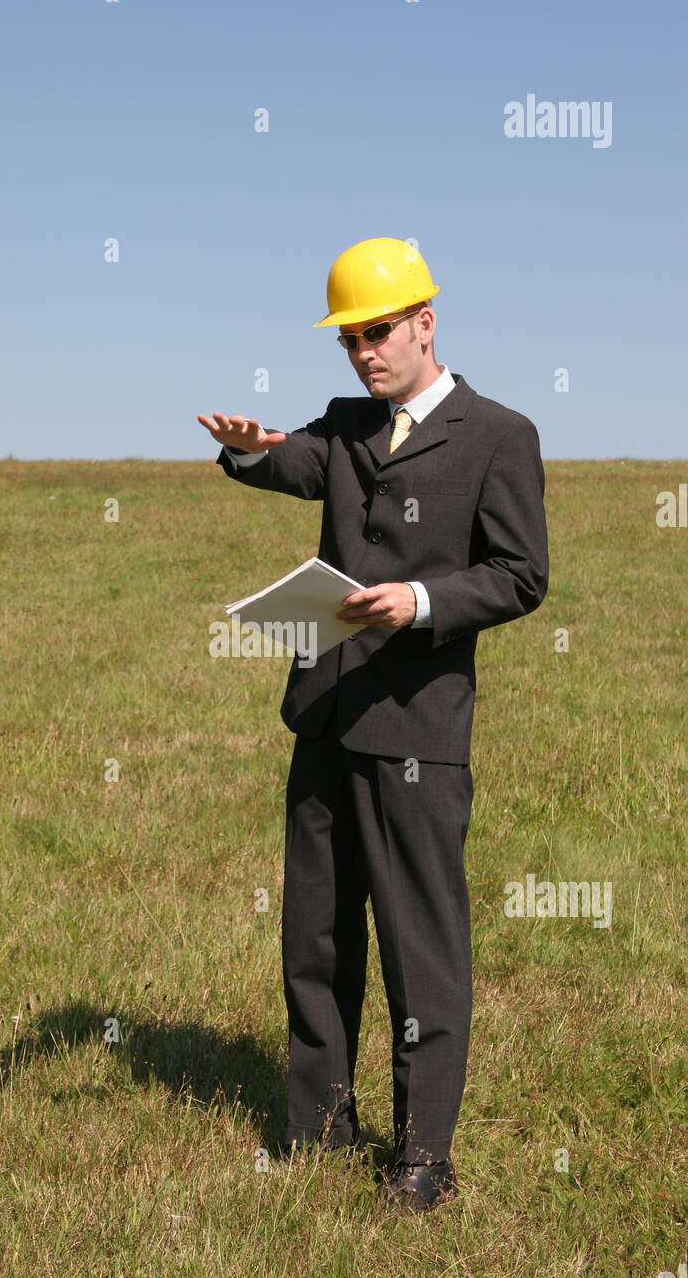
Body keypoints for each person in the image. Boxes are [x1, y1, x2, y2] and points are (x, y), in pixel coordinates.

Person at [198, 237, 549, 1212]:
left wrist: (419, 603)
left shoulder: (497, 435)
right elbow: (289, 464)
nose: (363, 352)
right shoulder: (349, 424)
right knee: (313, 937)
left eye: (378, 332)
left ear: (426, 322)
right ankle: (317, 1126)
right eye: (350, 338)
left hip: (417, 732)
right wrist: (244, 448)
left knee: (418, 946)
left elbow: (520, 574)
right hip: (322, 717)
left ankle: (422, 1155)